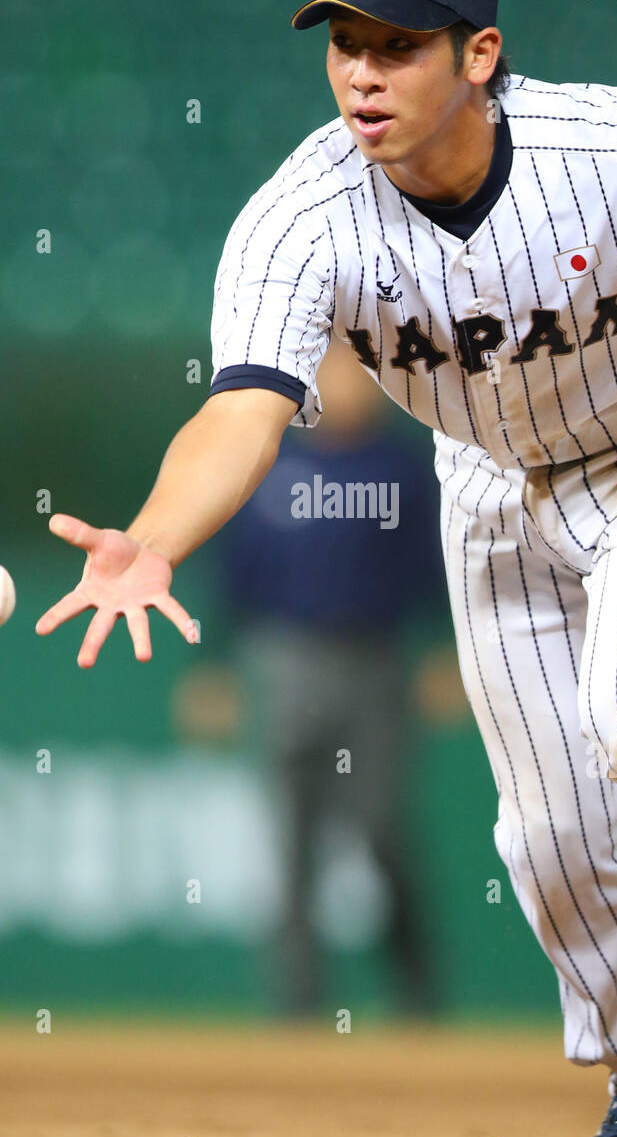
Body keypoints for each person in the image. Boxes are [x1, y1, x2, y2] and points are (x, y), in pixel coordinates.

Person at [36, 0, 617, 1137]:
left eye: (395, 45)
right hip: (491, 479)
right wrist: (157, 537)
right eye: (343, 44)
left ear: (476, 54)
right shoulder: (300, 214)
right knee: (539, 827)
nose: (360, 76)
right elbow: (245, 407)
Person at [177, 341, 444, 1014]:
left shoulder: (404, 470)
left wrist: (444, 653)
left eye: (353, 373)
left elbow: (438, 568)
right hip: (283, 659)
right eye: (328, 371)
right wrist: (210, 666)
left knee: (382, 828)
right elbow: (233, 572)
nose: (342, 386)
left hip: (374, 662)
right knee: (290, 844)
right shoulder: (269, 462)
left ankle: (418, 999)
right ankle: (297, 1014)